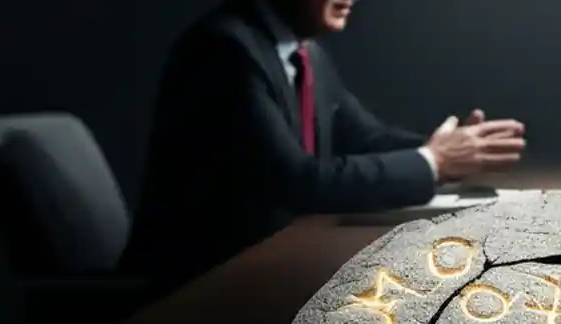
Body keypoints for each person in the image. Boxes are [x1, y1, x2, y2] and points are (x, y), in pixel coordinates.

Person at [127, 0, 527, 292]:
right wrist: (433, 163)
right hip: (195, 290)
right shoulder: (225, 51)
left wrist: (448, 151)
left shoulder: (305, 52)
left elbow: (366, 139)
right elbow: (295, 182)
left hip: (265, 270)